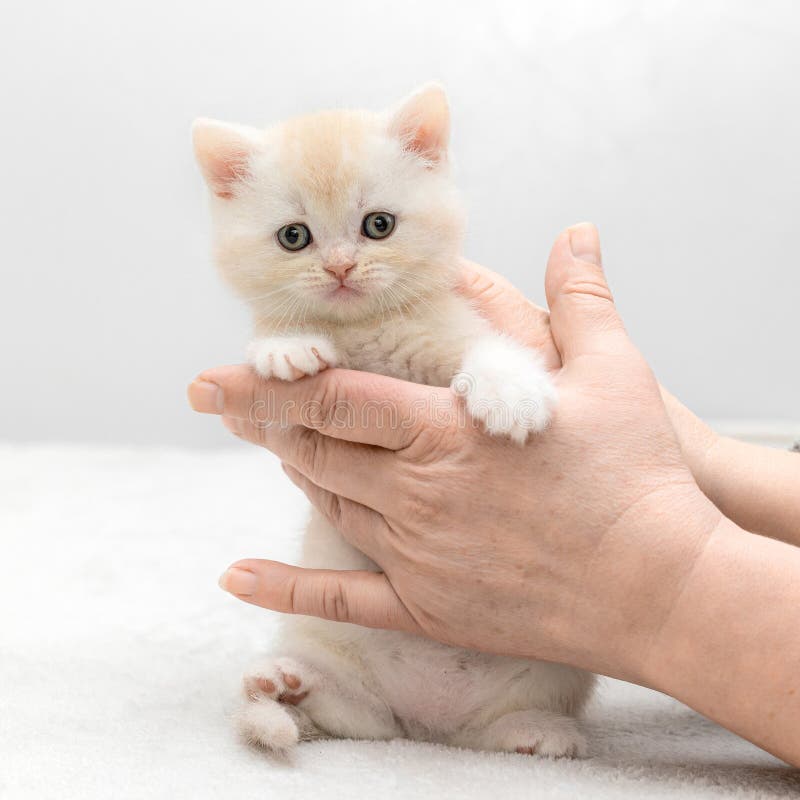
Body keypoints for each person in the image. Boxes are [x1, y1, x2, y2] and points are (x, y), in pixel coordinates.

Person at [188, 223, 800, 766]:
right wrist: (703, 465)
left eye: (377, 226)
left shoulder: (433, 313)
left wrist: (661, 581)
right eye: (297, 237)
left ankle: (485, 714)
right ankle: (334, 694)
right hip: (376, 650)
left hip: (510, 671)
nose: (342, 260)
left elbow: (480, 359)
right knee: (330, 631)